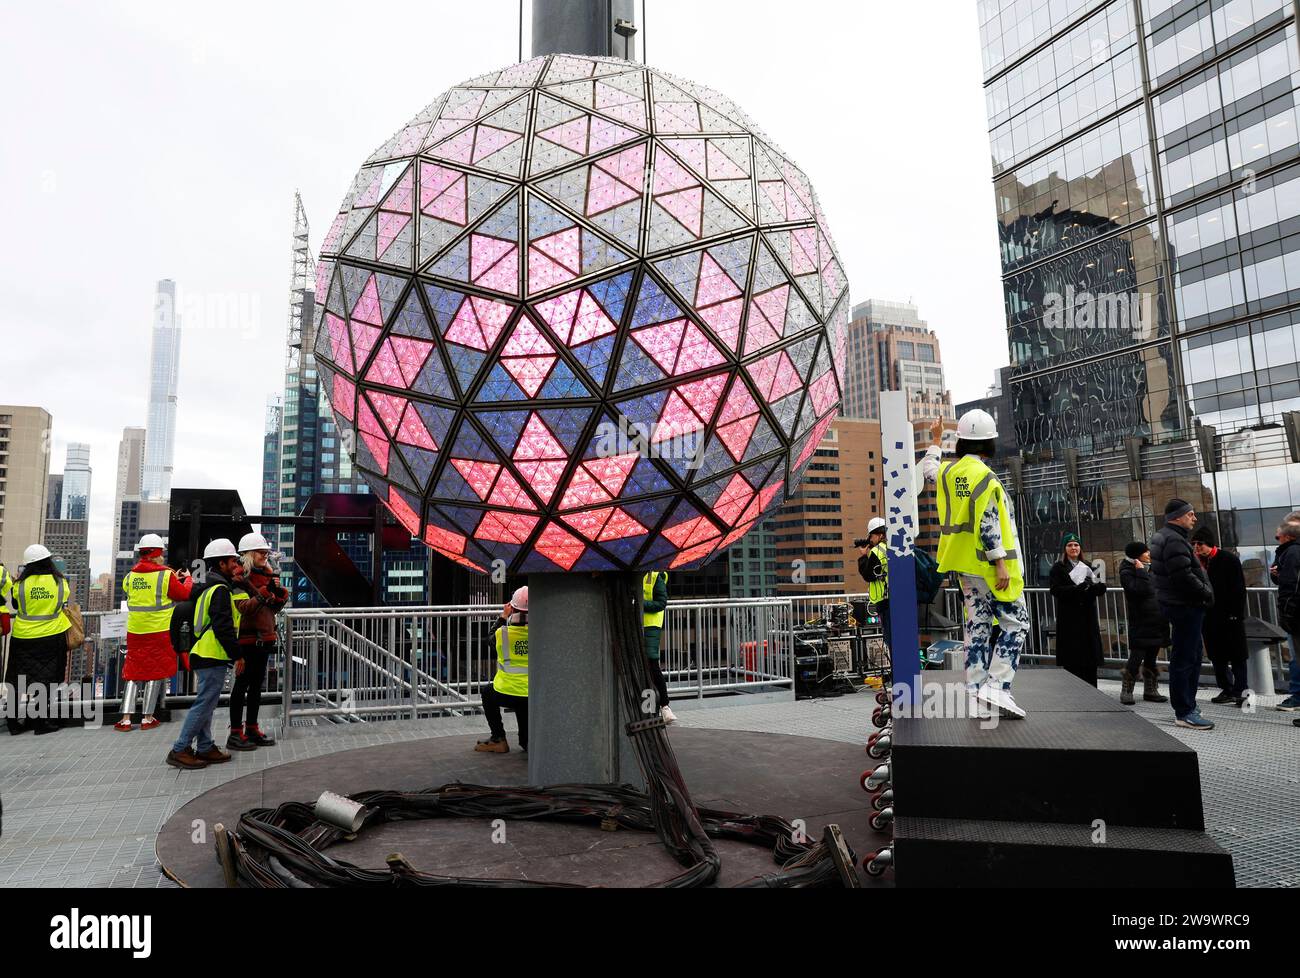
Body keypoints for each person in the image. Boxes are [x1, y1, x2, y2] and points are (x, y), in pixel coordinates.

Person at [923, 410, 1030, 719]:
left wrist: (934, 439)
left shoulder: (949, 472)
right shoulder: (985, 477)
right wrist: (1000, 564)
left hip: (963, 566)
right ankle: (997, 687)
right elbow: (989, 523)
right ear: (989, 443)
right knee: (1016, 623)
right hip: (991, 566)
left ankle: (974, 689)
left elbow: (929, 468)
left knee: (977, 625)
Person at [167, 539, 261, 770]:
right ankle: (180, 749)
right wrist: (237, 655)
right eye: (232, 560)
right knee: (204, 704)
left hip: (205, 652)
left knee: (207, 704)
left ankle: (206, 746)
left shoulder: (208, 586)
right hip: (211, 653)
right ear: (221, 563)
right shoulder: (219, 590)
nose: (236, 564)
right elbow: (223, 627)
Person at [116, 534, 194, 732]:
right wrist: (188, 580)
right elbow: (183, 594)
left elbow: (133, 591)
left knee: (133, 671)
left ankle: (125, 719)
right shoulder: (165, 575)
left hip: (135, 630)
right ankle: (147, 718)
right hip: (160, 630)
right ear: (159, 553)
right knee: (156, 671)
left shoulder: (130, 576)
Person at [1149, 499, 1215, 730]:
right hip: (1185, 605)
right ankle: (1185, 711)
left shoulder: (1165, 536)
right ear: (1178, 516)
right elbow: (1182, 576)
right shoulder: (1174, 540)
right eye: (1190, 515)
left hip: (1178, 604)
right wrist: (1205, 592)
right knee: (1187, 658)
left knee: (1189, 655)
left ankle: (1188, 705)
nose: (1194, 519)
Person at [226, 533, 288, 751]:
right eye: (261, 552)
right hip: (246, 639)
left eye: (266, 552)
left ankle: (251, 728)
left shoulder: (267, 575)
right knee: (242, 685)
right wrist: (265, 591)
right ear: (249, 554)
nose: (265, 555)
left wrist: (279, 594)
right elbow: (243, 608)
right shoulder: (238, 577)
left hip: (264, 638)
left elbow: (272, 609)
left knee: (255, 687)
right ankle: (235, 732)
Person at [5, 545, 72, 735]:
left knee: (16, 681)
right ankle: (41, 722)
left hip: (23, 637)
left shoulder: (20, 584)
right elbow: (62, 603)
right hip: (51, 636)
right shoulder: (59, 582)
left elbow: (17, 604)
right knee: (47, 680)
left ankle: (13, 723)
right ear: (48, 561)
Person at [1191, 526, 1248, 706]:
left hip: (1229, 615)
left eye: (1200, 543)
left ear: (1209, 543)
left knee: (1237, 655)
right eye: (1194, 544)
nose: (1196, 547)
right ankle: (1227, 688)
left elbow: (1239, 589)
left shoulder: (1228, 559)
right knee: (1217, 655)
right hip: (1209, 616)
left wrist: (1235, 614)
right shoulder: (1197, 562)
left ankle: (1241, 691)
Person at [1048, 532, 1108, 687]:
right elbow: (1056, 590)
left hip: (1087, 617)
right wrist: (1077, 589)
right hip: (1070, 617)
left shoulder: (1088, 565)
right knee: (1073, 657)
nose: (1073, 548)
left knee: (1089, 658)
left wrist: (1095, 586)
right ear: (1064, 548)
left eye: (1076, 545)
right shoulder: (1058, 568)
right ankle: (1074, 690)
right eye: (1070, 545)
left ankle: (1092, 688)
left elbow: (1101, 588)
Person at [476, 586, 529, 754]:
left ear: (512, 608)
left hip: (505, 692)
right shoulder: (542, 633)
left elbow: (489, 639)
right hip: (533, 694)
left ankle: (498, 738)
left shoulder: (502, 633)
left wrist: (502, 617)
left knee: (487, 692)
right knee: (524, 703)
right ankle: (527, 741)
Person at [1118, 541, 1168, 706]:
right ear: (1136, 555)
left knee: (1152, 657)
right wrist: (1140, 571)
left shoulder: (1151, 567)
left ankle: (1151, 690)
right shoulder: (1127, 570)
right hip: (1140, 620)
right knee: (1136, 657)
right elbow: (1137, 591)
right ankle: (1127, 690)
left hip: (1155, 618)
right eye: (1145, 552)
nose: (1149, 554)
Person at [1274, 522, 1300, 712]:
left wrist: (1286, 613)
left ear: (1288, 536)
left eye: (1278, 536)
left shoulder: (1291, 553)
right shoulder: (1287, 552)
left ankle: (1298, 695)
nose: (1277, 538)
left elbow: (1291, 585)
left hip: (1296, 614)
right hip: (1295, 612)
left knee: (1297, 656)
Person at [643, 570, 675, 724]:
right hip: (640, 626)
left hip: (651, 627)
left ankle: (664, 706)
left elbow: (661, 602)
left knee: (651, 664)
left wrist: (640, 604)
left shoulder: (655, 576)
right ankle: (651, 707)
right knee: (646, 666)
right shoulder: (639, 574)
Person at [857, 517, 890, 649]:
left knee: (890, 638)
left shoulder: (877, 552)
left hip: (884, 599)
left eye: (872, 536)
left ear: (880, 535)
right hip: (895, 597)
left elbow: (868, 575)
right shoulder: (892, 547)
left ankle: (896, 669)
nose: (870, 539)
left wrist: (863, 556)